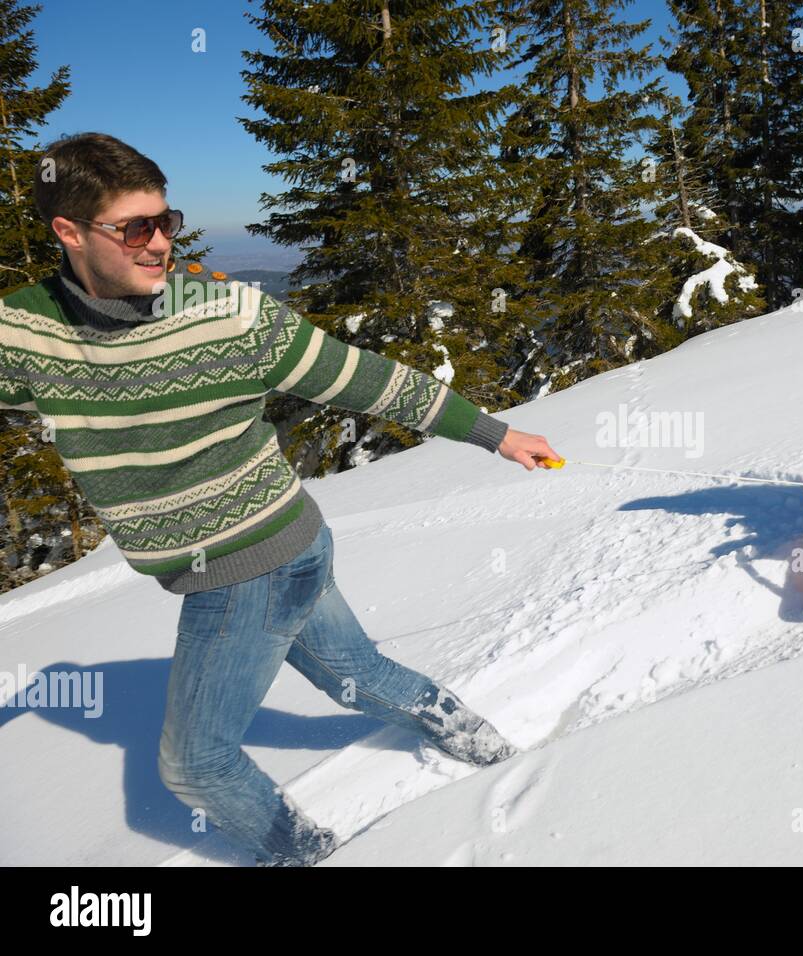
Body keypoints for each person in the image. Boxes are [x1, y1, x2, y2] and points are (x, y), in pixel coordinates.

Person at [0, 132, 559, 865]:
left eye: (166, 221)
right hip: (280, 551)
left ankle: (303, 855)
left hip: (249, 563)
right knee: (356, 676)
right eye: (135, 228)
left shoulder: (227, 314)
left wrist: (495, 434)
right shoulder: (26, 330)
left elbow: (363, 377)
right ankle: (481, 742)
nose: (160, 243)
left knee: (195, 763)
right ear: (68, 232)